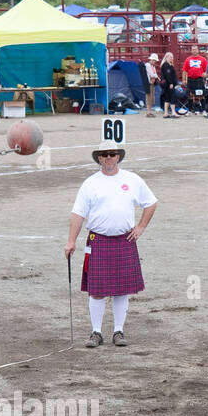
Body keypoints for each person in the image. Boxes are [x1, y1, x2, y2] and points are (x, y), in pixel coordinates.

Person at [64, 144, 157, 348]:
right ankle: (96, 332)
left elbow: (151, 203)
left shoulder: (132, 180)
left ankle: (118, 331)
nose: (108, 158)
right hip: (98, 241)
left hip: (125, 240)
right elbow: (78, 214)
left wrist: (141, 226)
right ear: (98, 158)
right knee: (96, 290)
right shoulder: (90, 183)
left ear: (118, 157)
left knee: (121, 290)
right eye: (104, 155)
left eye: (112, 154)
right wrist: (71, 241)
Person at [182, 47, 208, 114]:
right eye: (193, 49)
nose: (194, 51)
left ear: (198, 50)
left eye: (195, 49)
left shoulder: (203, 60)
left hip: (199, 79)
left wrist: (206, 80)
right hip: (190, 79)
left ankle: (204, 110)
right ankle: (190, 110)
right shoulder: (188, 59)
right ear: (191, 51)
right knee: (190, 95)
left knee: (201, 95)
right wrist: (184, 80)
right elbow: (184, 70)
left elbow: (206, 71)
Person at [159, 52, 179, 118]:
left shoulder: (169, 65)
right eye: (171, 57)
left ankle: (166, 113)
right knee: (172, 98)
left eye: (172, 57)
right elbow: (168, 76)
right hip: (168, 85)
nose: (172, 58)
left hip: (167, 84)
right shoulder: (166, 65)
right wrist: (171, 83)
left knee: (167, 98)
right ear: (167, 57)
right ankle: (173, 112)